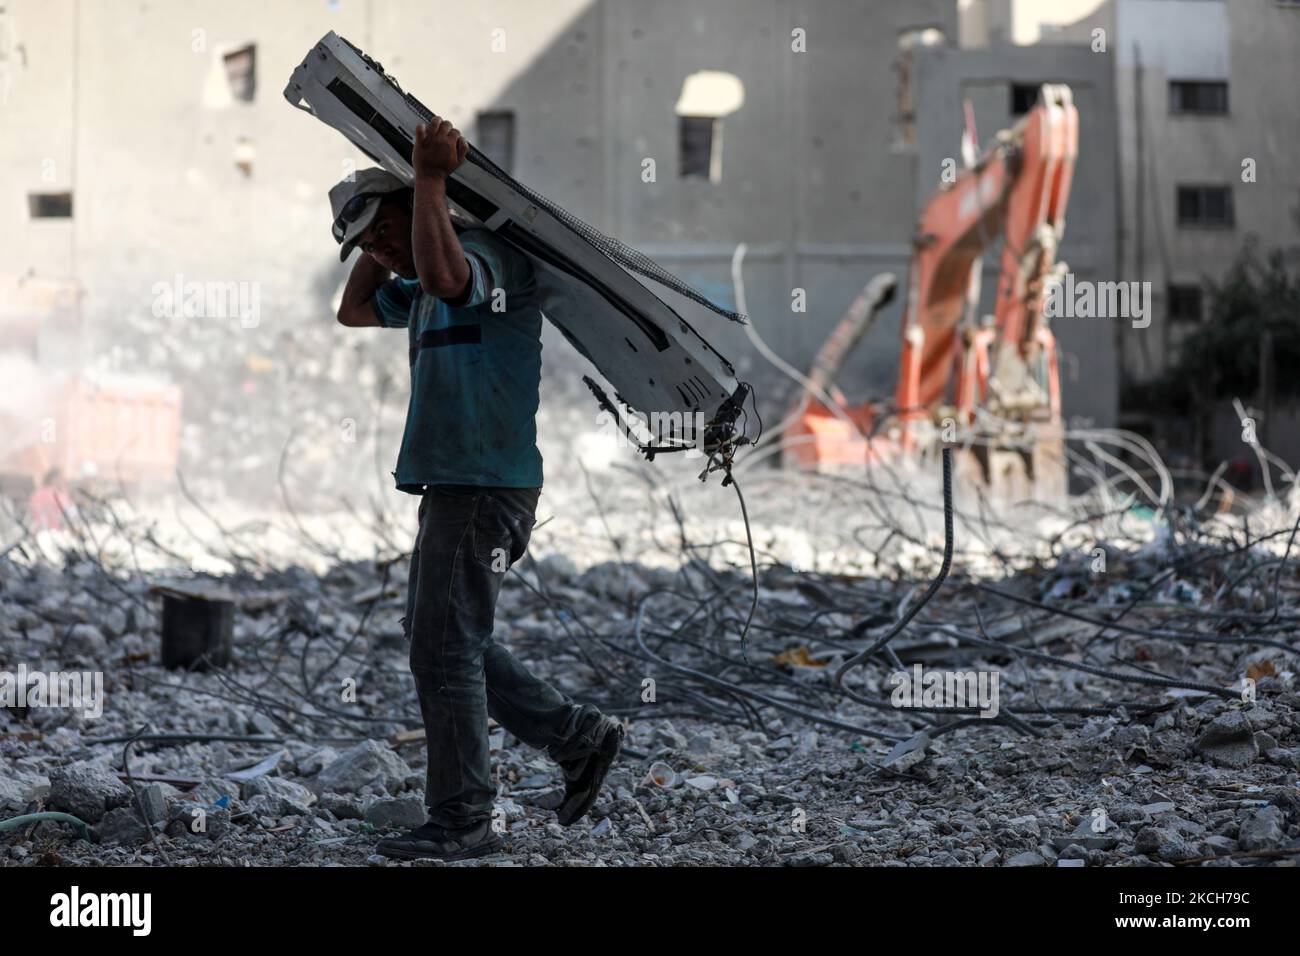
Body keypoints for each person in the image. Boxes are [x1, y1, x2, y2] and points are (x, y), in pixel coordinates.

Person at [329, 118, 623, 861]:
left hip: (485, 484)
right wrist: (380, 229)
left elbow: (448, 275)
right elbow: (353, 309)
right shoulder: (417, 287)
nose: (380, 253)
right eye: (370, 246)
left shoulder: (486, 261)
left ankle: (463, 818)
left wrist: (425, 183)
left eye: (386, 235)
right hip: (454, 485)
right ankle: (575, 735)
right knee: (443, 641)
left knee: (445, 646)